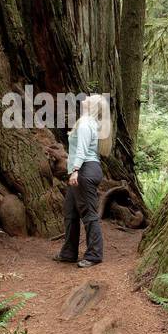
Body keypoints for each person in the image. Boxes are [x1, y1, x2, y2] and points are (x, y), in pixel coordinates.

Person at [55, 93, 110, 268]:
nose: (84, 99)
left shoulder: (86, 123)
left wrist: (75, 171)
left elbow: (82, 150)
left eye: (89, 99)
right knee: (70, 213)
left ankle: (94, 255)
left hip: (85, 170)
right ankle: (68, 252)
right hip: (84, 169)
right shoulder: (87, 122)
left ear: (92, 106)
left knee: (88, 214)